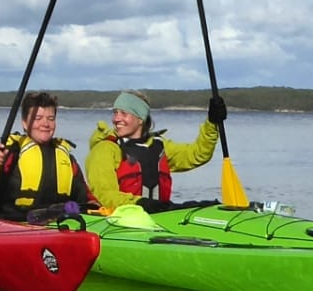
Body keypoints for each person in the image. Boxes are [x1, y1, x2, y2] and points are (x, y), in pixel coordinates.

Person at [85, 89, 228, 212]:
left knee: (207, 205)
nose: (116, 119)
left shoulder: (159, 146)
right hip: (122, 218)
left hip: (158, 215)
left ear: (140, 119)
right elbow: (104, 193)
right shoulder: (105, 149)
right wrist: (139, 203)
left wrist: (212, 123)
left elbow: (198, 154)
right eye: (115, 112)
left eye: (123, 113)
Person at [0, 91, 92, 221]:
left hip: (55, 224)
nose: (45, 124)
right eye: (38, 118)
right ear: (25, 123)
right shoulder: (10, 154)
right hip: (14, 223)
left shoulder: (67, 159)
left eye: (51, 119)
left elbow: (86, 199)